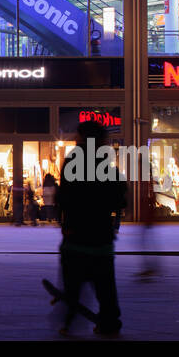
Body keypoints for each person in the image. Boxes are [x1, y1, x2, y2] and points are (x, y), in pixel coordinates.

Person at [56, 120, 127, 336]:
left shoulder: (72, 162)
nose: (75, 138)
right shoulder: (106, 164)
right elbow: (119, 199)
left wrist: (64, 223)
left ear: (83, 138)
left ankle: (68, 321)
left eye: (77, 135)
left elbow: (64, 197)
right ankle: (110, 322)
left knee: (73, 284)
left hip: (76, 236)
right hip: (101, 238)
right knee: (106, 287)